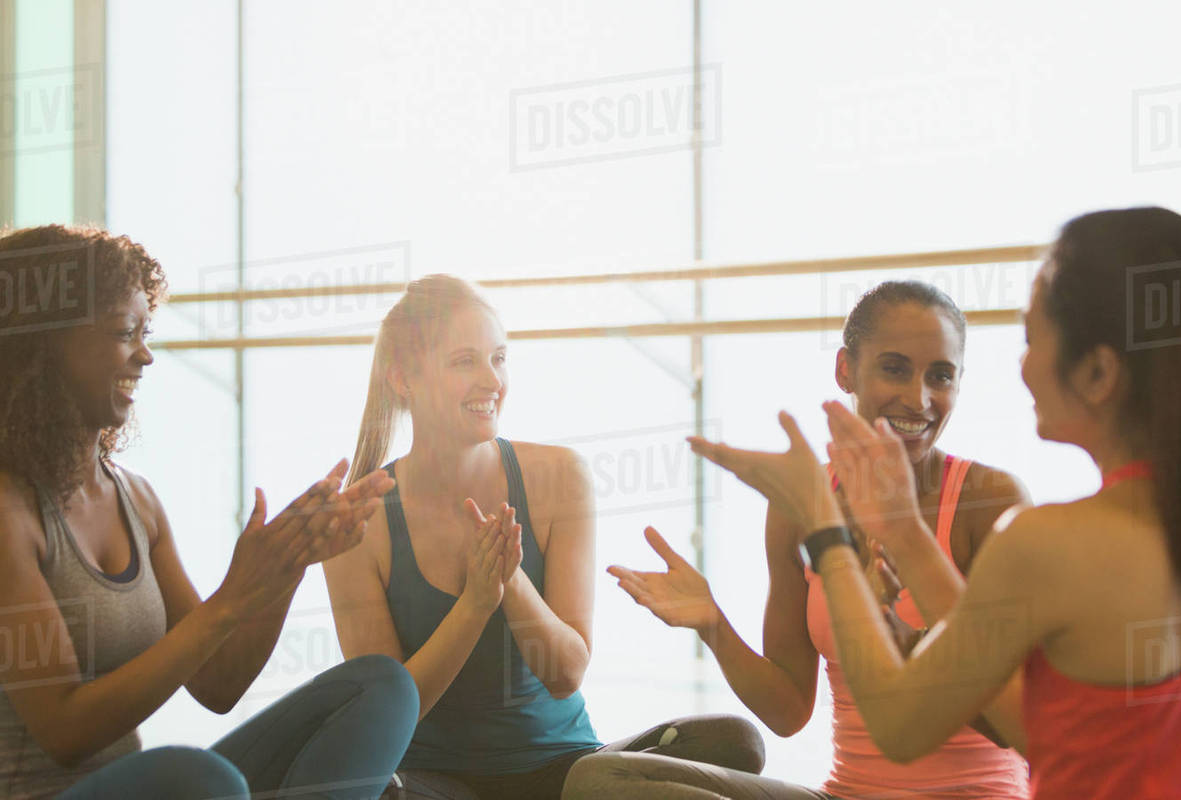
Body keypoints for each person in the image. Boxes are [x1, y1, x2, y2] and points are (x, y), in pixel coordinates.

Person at [652, 207, 1181, 800]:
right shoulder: (1166, 520)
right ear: (847, 370)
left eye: (1032, 339)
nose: (1021, 366)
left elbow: (899, 726)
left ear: (1096, 372)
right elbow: (1034, 722)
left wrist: (827, 537)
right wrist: (902, 562)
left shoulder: (1047, 536)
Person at [0, 225, 418, 800]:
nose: (145, 355)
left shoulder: (137, 501)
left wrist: (287, 565)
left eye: (145, 333)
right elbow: (64, 730)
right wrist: (231, 600)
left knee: (380, 688)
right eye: (125, 332)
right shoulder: (9, 511)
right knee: (201, 780)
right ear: (43, 344)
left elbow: (218, 683)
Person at [574, 281, 1030, 799]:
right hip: (846, 793)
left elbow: (1023, 720)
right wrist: (713, 623)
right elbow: (789, 710)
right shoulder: (803, 502)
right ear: (845, 370)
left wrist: (908, 640)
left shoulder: (989, 499)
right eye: (895, 368)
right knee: (601, 779)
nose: (919, 398)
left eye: (941, 376)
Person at [323, 274, 765, 800]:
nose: (492, 380)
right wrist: (474, 604)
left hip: (564, 771)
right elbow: (387, 716)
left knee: (733, 741)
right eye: (465, 361)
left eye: (499, 358)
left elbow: (566, 674)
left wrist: (512, 581)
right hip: (432, 783)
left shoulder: (559, 476)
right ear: (403, 380)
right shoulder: (358, 522)